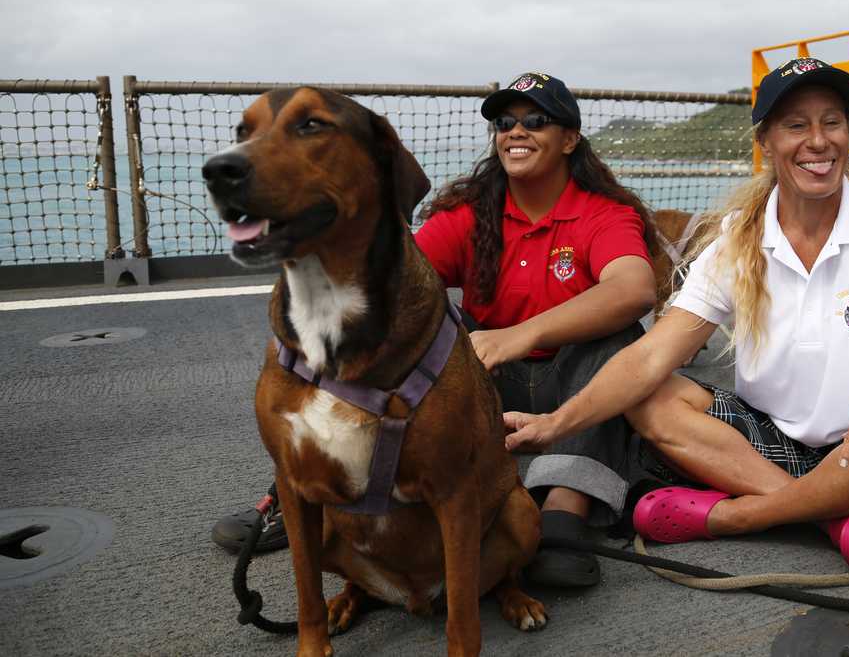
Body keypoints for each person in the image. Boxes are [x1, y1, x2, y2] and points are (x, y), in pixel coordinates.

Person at [503, 58, 849, 572]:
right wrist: (557, 423)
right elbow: (650, 356)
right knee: (648, 396)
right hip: (768, 444)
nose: (818, 141)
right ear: (767, 142)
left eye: (832, 122)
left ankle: (741, 517)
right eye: (796, 125)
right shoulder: (739, 236)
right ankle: (824, 515)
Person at [212, 72, 659, 588]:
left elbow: (633, 289)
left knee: (617, 343)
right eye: (504, 122)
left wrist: (521, 334)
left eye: (536, 120)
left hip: (572, 385)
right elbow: (400, 280)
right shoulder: (471, 214)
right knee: (406, 339)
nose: (516, 131)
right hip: (486, 381)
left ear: (570, 138)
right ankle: (297, 488)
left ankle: (564, 512)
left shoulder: (603, 212)